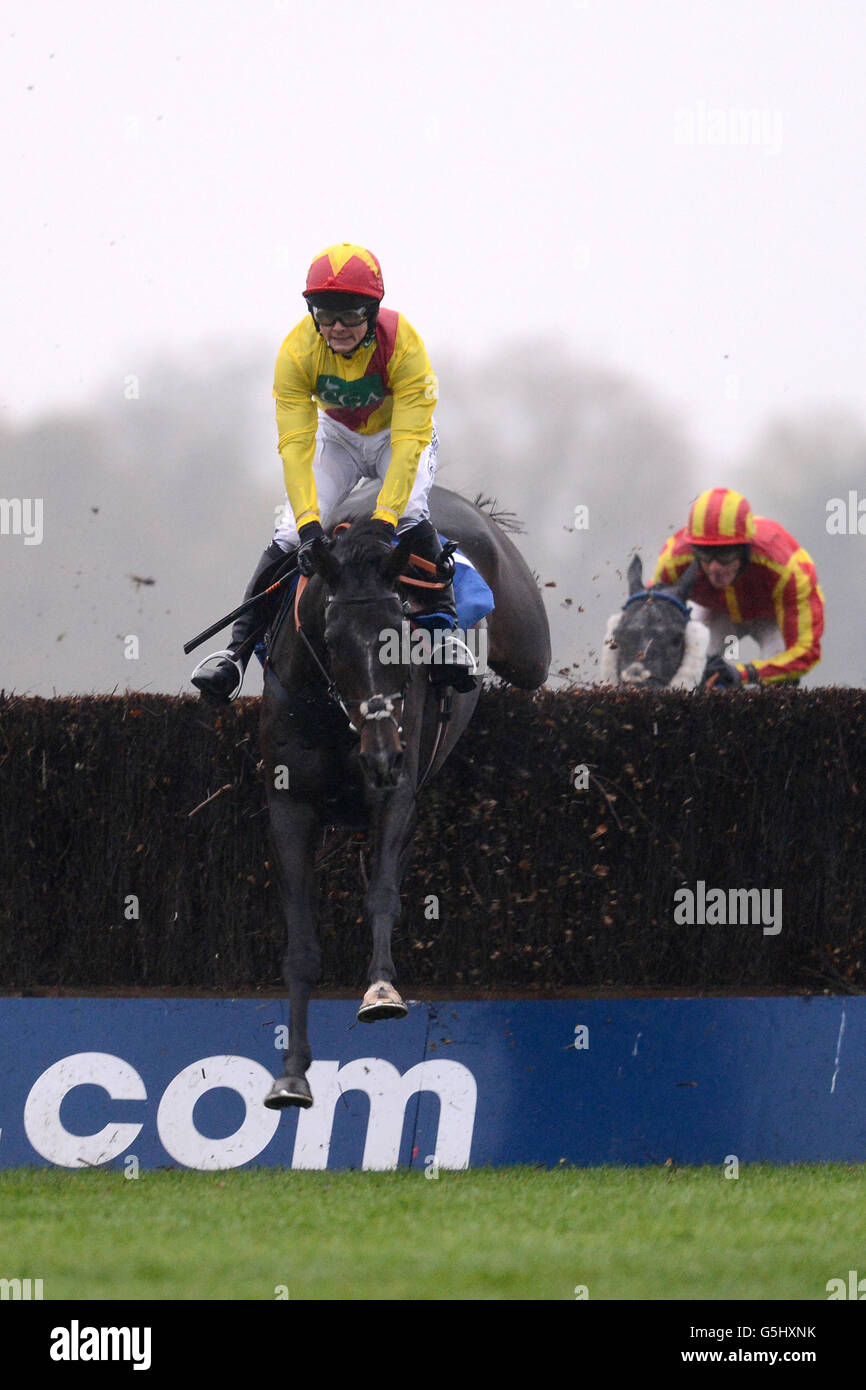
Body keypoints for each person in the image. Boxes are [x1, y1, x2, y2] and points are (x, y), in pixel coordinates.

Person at [191, 241, 474, 704]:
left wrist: (384, 519)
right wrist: (306, 528)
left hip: (396, 437)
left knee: (409, 513)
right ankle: (235, 653)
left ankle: (444, 633)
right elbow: (296, 447)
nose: (337, 327)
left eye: (350, 314)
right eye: (325, 313)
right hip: (336, 437)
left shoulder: (404, 344)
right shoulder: (296, 351)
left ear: (373, 310)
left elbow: (408, 445)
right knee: (286, 534)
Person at [651, 487, 824, 686]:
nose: (715, 568)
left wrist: (743, 673)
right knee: (688, 671)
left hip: (773, 618)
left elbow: (805, 652)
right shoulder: (674, 558)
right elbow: (651, 614)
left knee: (780, 683)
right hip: (716, 612)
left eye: (724, 554)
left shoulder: (788, 568)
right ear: (693, 549)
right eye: (705, 554)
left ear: (746, 549)